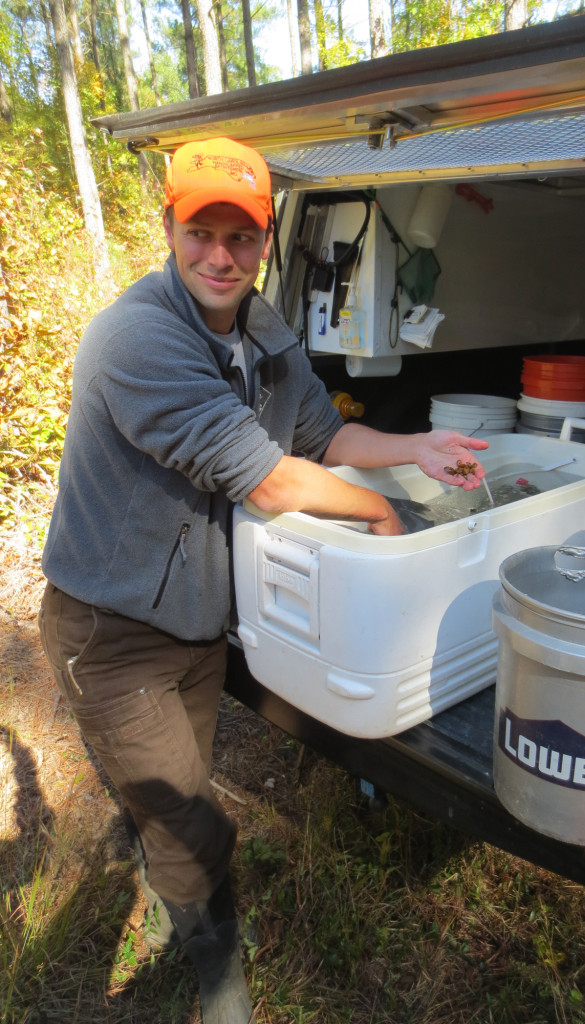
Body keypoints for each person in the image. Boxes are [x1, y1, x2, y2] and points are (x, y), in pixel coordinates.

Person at [38, 137, 488, 1022]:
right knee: (194, 821)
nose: (219, 256)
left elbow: (320, 438)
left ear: (265, 238)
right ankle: (222, 990)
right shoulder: (137, 337)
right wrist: (377, 512)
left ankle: (161, 866)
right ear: (168, 229)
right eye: (199, 231)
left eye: (239, 237)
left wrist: (417, 448)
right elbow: (270, 476)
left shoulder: (265, 325)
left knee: (181, 783)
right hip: (111, 627)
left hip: (198, 619)